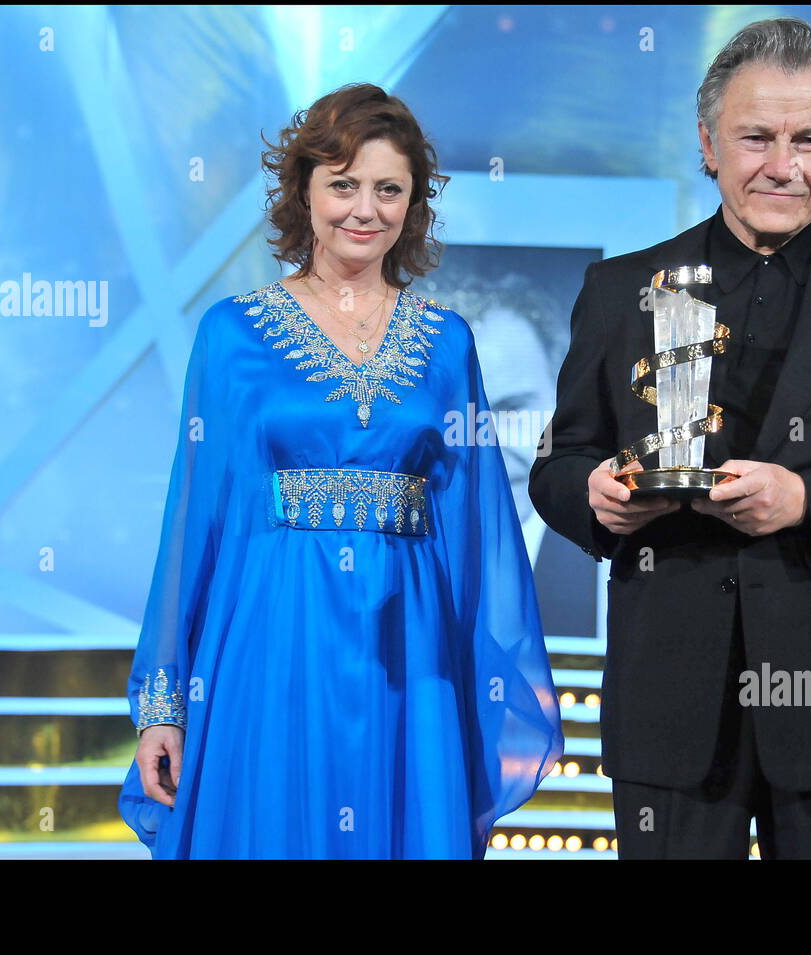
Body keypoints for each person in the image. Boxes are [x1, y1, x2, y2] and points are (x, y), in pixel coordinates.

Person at [528, 18, 811, 859]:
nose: (784, 165)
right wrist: (595, 497)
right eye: (756, 138)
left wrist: (808, 500)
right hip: (668, 698)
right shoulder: (621, 287)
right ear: (709, 143)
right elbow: (558, 463)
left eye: (810, 138)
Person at [118, 83, 563, 859]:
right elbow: (194, 526)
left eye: (389, 189)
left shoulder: (448, 342)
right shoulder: (232, 336)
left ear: (413, 204)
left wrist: (472, 692)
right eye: (343, 184)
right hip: (269, 639)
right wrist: (164, 702)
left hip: (411, 651)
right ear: (304, 191)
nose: (365, 209)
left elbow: (473, 533)